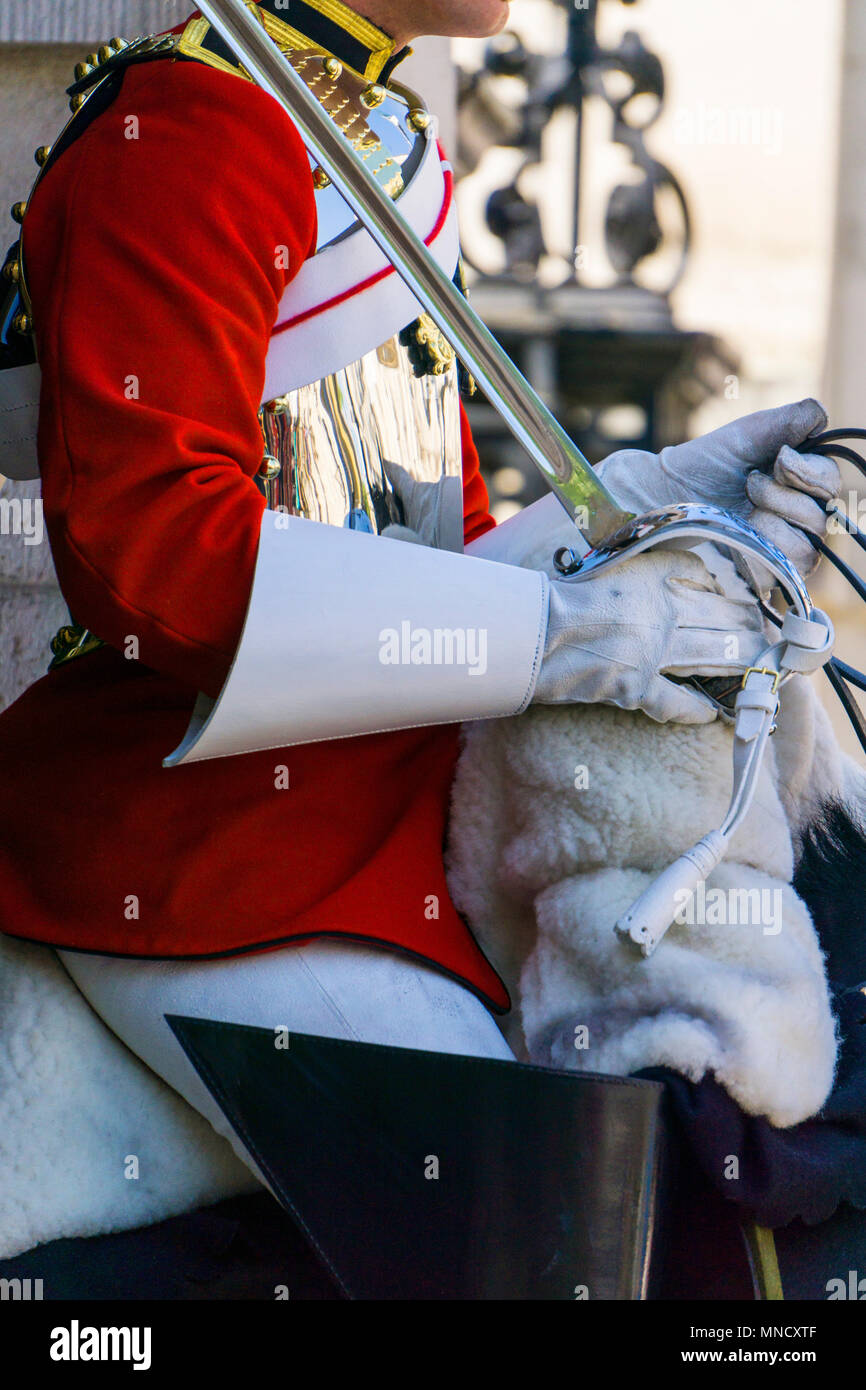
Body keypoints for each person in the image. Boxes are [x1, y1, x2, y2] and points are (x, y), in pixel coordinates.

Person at [0, 0, 840, 1180]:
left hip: (399, 807)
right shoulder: (193, 122)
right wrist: (556, 633)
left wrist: (655, 502)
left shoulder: (365, 119)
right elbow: (154, 557)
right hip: (207, 841)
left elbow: (425, 553)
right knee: (512, 1204)